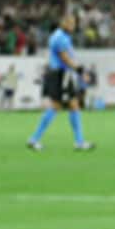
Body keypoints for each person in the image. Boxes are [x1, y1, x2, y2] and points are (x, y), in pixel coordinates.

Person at [27, 14, 93, 151]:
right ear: (63, 23)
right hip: (61, 75)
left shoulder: (60, 36)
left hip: (61, 75)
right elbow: (65, 58)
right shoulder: (60, 38)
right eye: (70, 23)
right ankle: (35, 139)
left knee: (70, 105)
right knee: (63, 106)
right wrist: (80, 71)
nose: (73, 26)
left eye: (74, 23)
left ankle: (78, 141)